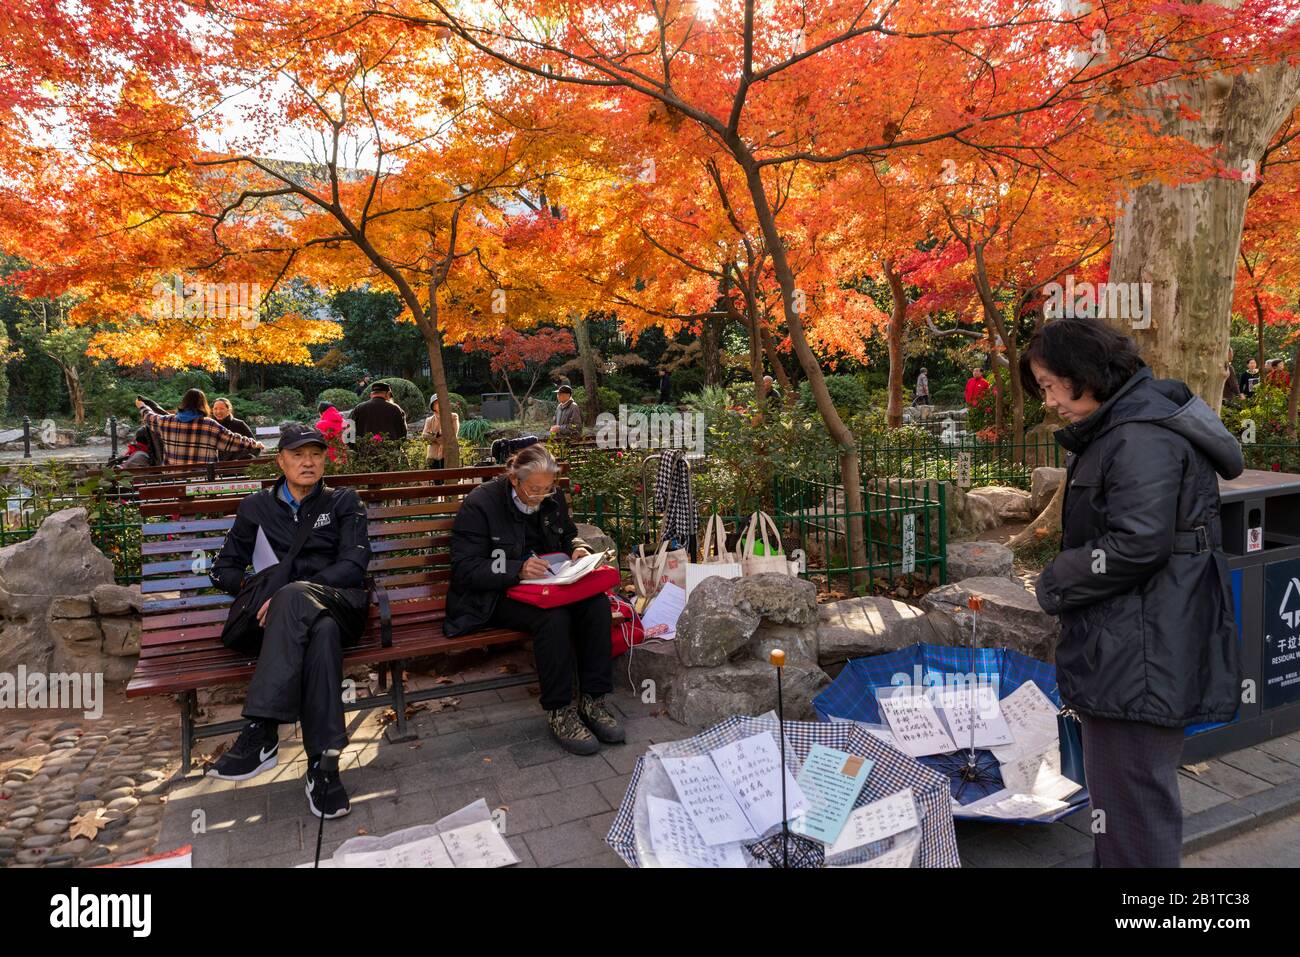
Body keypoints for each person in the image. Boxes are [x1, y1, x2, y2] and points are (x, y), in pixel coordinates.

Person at [1021, 316, 1243, 868]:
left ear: (1084, 374)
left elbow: (1137, 543)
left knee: (1132, 810)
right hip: (1140, 642)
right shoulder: (1130, 424)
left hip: (1139, 654)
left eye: (1049, 384)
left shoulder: (1138, 434)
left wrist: (1053, 580)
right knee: (1126, 806)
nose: (1048, 401)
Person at [207, 423, 372, 818]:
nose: (308, 462)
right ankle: (324, 767)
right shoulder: (256, 508)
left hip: (340, 603)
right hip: (291, 625)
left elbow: (354, 563)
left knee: (304, 602)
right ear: (280, 461)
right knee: (322, 633)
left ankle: (262, 732)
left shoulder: (343, 502)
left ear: (325, 459)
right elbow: (223, 568)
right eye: (298, 455)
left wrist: (292, 591)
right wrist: (258, 589)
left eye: (315, 454)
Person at [444, 444, 622, 756]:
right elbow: (465, 569)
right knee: (552, 618)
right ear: (514, 479)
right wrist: (517, 570)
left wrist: (578, 548)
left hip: (550, 585)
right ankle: (559, 711)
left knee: (595, 606)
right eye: (534, 489)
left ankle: (594, 700)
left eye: (548, 488)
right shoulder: (481, 503)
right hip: (494, 595)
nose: (542, 496)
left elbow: (567, 534)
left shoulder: (549, 498)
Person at [135, 389, 263, 466]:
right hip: (205, 482)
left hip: (175, 481)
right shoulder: (209, 425)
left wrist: (141, 405)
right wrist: (255, 444)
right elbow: (233, 440)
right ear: (204, 405)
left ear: (183, 403)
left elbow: (149, 416)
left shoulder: (167, 422)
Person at [212, 397, 257, 461]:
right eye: (215, 409)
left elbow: (255, 446)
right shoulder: (210, 426)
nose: (218, 411)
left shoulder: (239, 424)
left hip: (237, 466)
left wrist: (239, 460)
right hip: (215, 466)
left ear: (229, 410)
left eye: (221, 409)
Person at [422, 394, 460, 469]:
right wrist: (436, 437)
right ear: (432, 406)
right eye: (436, 403)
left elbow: (453, 434)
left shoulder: (453, 417)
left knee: (450, 477)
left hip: (448, 453)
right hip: (433, 454)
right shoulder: (429, 420)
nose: (439, 404)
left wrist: (433, 437)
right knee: (436, 477)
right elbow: (424, 435)